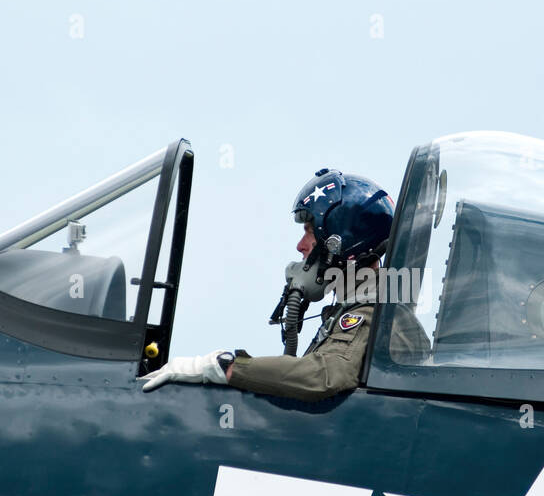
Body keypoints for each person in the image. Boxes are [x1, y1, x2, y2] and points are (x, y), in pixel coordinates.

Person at [137, 168, 398, 402]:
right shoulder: (353, 309)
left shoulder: (372, 312)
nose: (300, 246)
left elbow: (326, 374)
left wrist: (224, 367)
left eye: (309, 231)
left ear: (340, 242)